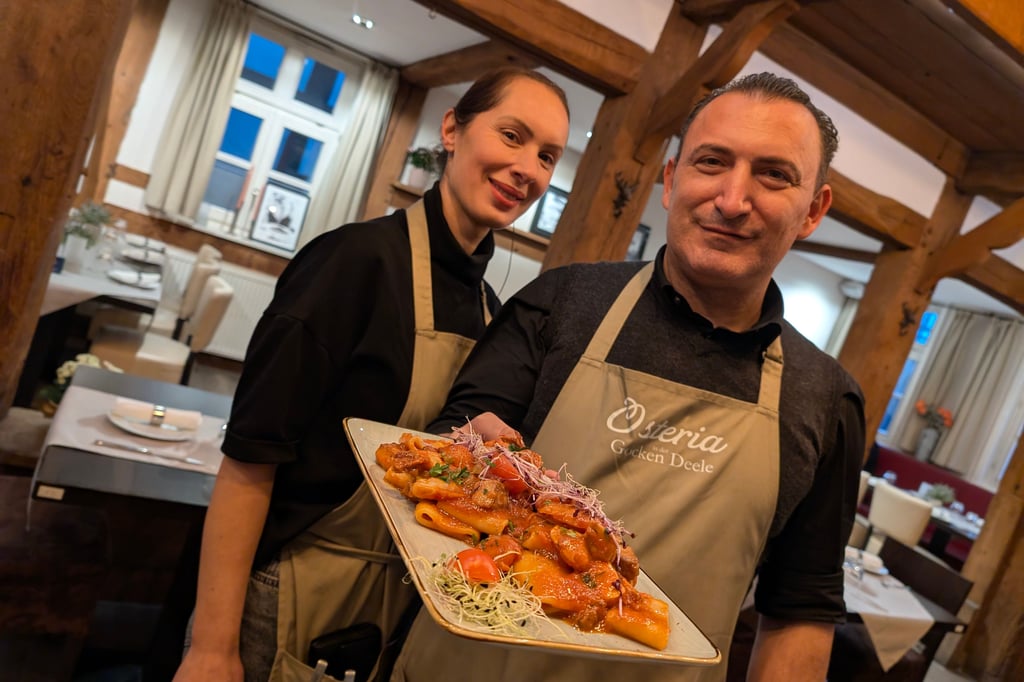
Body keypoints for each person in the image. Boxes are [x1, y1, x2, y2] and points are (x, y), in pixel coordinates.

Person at [390, 72, 865, 681]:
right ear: (671, 181)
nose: (732, 198)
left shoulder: (826, 398)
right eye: (711, 162)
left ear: (813, 211)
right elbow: (444, 455)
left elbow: (801, 609)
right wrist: (471, 452)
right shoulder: (561, 303)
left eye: (773, 174)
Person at [173, 67, 570, 682]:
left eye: (547, 155)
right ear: (451, 129)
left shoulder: (491, 308)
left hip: (395, 602)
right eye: (512, 136)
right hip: (292, 581)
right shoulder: (352, 263)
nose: (529, 168)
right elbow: (250, 458)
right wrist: (211, 646)